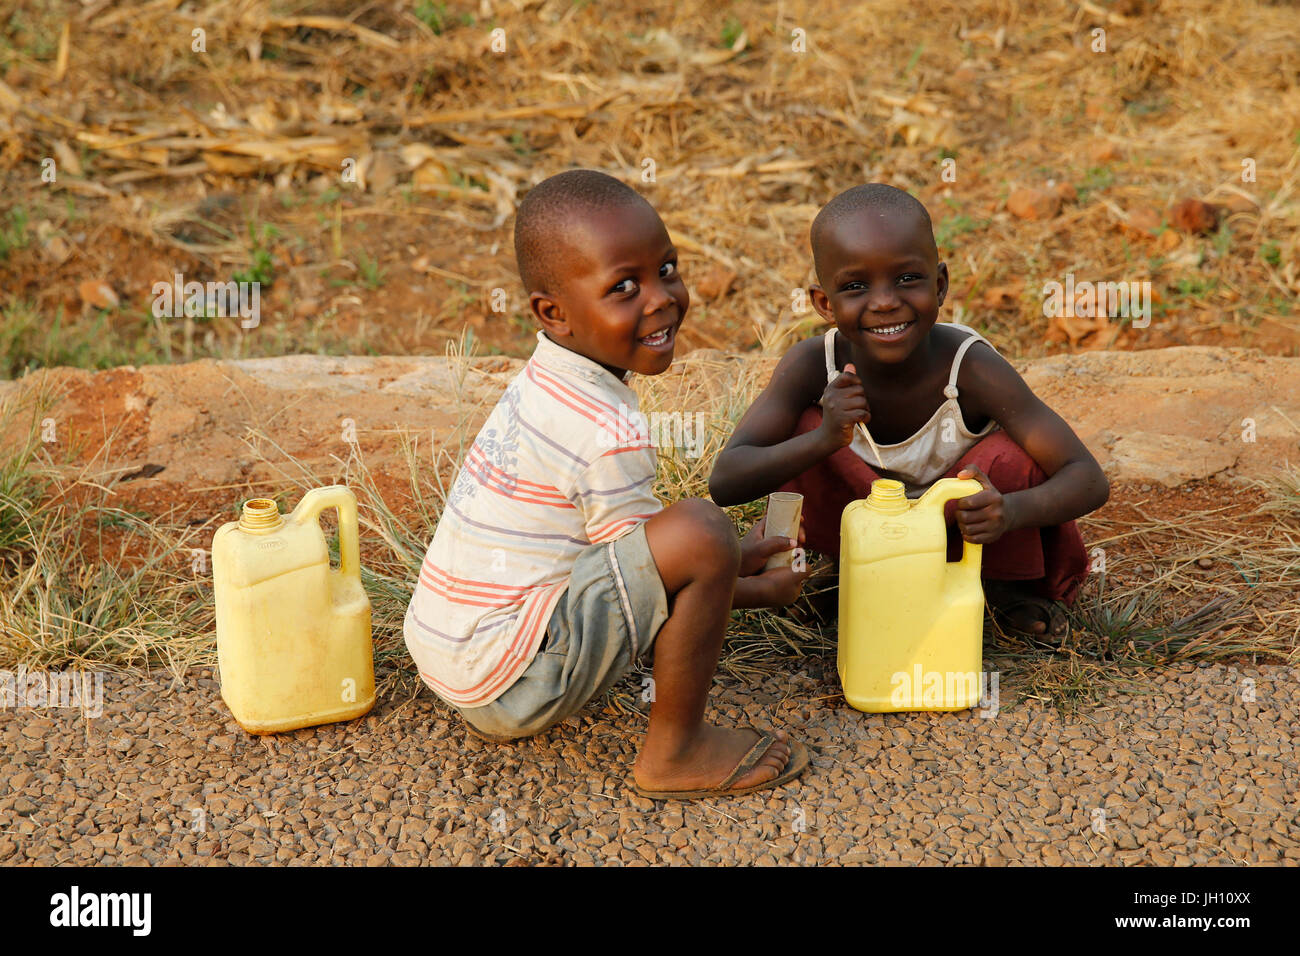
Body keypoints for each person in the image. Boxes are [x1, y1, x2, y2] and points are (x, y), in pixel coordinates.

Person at [405, 170, 812, 799]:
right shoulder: (605, 426)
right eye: (624, 287)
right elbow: (660, 582)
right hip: (510, 685)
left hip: (452, 655)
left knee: (700, 541)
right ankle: (675, 754)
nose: (661, 299)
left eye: (667, 269)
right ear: (554, 313)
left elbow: (637, 569)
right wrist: (759, 590)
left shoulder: (543, 383)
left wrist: (742, 561)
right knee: (702, 530)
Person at [708, 184, 1109, 637]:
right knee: (803, 428)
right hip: (865, 534)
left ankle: (1001, 592)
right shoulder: (811, 366)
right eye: (855, 286)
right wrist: (824, 438)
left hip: (969, 536)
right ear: (824, 303)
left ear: (939, 284)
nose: (884, 302)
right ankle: (844, 574)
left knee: (1010, 455)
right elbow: (725, 482)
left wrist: (1010, 511)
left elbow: (1087, 478)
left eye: (906, 279)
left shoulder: (972, 368)